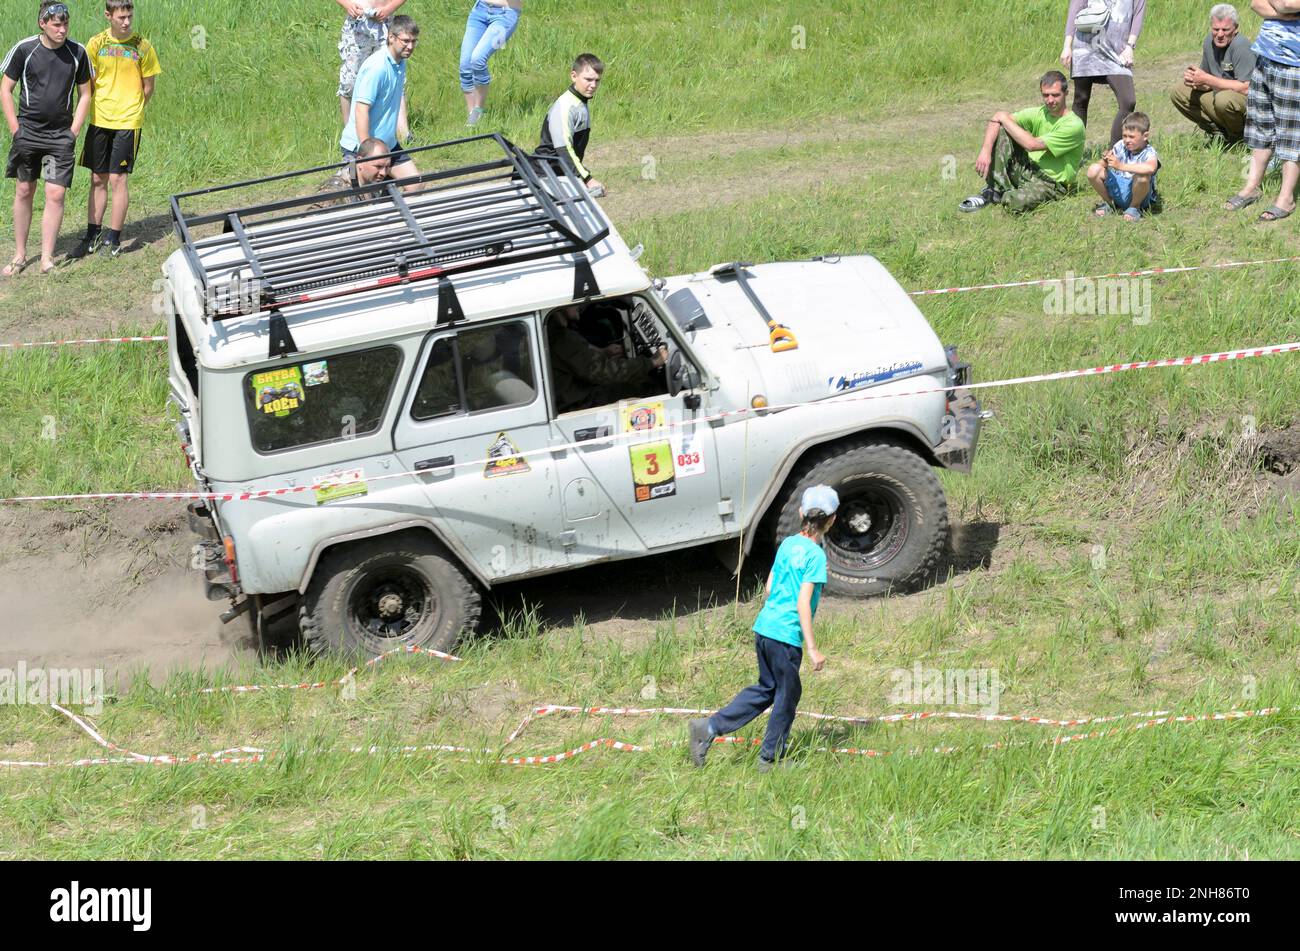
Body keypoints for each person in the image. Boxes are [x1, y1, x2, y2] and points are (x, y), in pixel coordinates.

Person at [688, 485, 837, 772]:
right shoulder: (816, 557)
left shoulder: (789, 544)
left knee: (768, 688)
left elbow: (769, 587)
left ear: (801, 513)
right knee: (787, 694)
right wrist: (814, 649)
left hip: (765, 628)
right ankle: (770, 758)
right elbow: (803, 603)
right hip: (785, 636)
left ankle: (708, 727)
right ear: (832, 520)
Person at [2, 1, 92, 276]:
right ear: (43, 23)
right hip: (28, 135)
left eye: (65, 24)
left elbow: (86, 94)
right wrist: (15, 129)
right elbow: (5, 89)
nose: (62, 29)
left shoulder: (77, 52)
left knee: (55, 193)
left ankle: (47, 258)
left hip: (58, 139)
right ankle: (19, 255)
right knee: (24, 190)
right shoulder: (25, 49)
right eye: (56, 24)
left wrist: (73, 132)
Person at [67, 0, 162, 260]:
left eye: (130, 16)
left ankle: (114, 238)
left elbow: (148, 88)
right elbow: (90, 83)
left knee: (118, 179)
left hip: (128, 122)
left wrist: (131, 110)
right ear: (108, 15)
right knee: (97, 178)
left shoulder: (143, 46)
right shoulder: (96, 44)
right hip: (100, 120)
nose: (126, 22)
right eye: (121, 17)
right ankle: (92, 235)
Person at [959, 71, 1086, 214]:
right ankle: (993, 190)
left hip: (1051, 183)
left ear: (1066, 93)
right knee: (1002, 130)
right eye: (1045, 95)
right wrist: (985, 151)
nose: (1050, 100)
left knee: (1014, 203)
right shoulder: (1040, 113)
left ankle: (1002, 192)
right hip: (1030, 170)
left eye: (1055, 95)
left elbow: (1031, 145)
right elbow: (996, 119)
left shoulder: (1074, 125)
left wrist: (1003, 117)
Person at [1225, 0, 1300, 220]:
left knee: (1290, 133)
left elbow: (1287, 4)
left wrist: (1277, 8)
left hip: (1293, 65)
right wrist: (1284, 14)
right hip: (1265, 56)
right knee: (1261, 126)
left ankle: (1286, 198)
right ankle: (1252, 187)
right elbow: (1256, 4)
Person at [340, 15, 420, 190]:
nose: (410, 46)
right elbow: (361, 110)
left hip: (388, 145)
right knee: (360, 198)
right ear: (391, 37)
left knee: (415, 185)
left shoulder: (400, 62)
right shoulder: (377, 67)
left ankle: (395, 216)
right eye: (406, 41)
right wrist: (367, 153)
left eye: (414, 41)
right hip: (363, 147)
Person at [546, 305, 666, 413]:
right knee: (647, 387)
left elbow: (581, 356)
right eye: (572, 302)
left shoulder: (551, 333)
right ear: (559, 307)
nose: (579, 305)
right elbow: (605, 372)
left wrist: (603, 352)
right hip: (578, 403)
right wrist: (651, 362)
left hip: (573, 394)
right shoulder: (561, 339)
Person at [1062, 0, 1147, 148]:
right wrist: (1067, 46)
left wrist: (1130, 46)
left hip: (1117, 51)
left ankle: (1113, 153)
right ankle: (1073, 151)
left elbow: (1138, 13)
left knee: (1128, 101)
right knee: (1081, 98)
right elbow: (1075, 9)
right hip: (1086, 45)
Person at [1171, 5, 1256, 144]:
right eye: (1216, 29)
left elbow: (1247, 87)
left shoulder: (1241, 46)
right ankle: (1219, 133)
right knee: (1179, 91)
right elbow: (1207, 82)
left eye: (1225, 30)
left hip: (1246, 103)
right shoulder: (1209, 42)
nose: (1220, 34)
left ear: (1235, 29)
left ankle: (1240, 138)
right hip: (1219, 97)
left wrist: (1207, 79)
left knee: (1224, 99)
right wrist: (1195, 81)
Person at [336, 1, 409, 143]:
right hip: (357, 22)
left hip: (386, 21)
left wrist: (389, 8)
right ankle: (350, 136)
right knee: (349, 81)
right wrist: (347, 5)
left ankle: (403, 132)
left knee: (393, 72)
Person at [537, 53, 605, 195]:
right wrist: (587, 179)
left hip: (560, 173)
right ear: (574, 76)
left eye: (597, 81)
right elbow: (564, 150)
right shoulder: (565, 107)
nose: (593, 85)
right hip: (544, 177)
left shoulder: (580, 102)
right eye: (588, 79)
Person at [459, 1, 523, 127]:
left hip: (506, 14)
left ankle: (478, 110)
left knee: (478, 59)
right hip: (479, 10)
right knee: (465, 65)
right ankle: (471, 118)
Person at [1086, 111, 1160, 220]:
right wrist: (1105, 160)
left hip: (1139, 195)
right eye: (1124, 136)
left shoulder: (1149, 152)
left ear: (1145, 136)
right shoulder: (1120, 145)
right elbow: (1102, 164)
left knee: (1143, 176)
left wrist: (1121, 166)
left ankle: (1134, 208)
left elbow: (1151, 167)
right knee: (1093, 170)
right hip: (1119, 189)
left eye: (1131, 136)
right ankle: (1111, 204)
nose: (1127, 140)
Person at [311, 136, 392, 208]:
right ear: (360, 161)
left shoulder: (370, 181)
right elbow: (310, 219)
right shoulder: (336, 189)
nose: (383, 173)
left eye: (387, 167)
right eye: (378, 166)